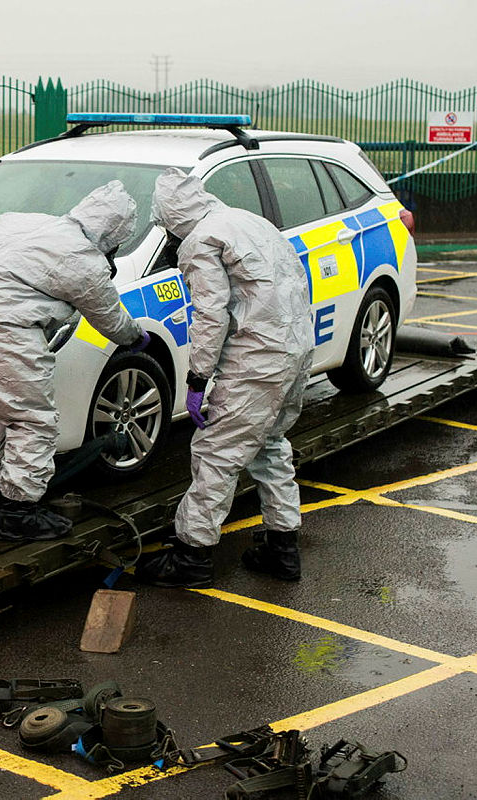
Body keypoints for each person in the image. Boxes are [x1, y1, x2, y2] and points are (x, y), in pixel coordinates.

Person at [0, 180, 149, 543]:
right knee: (32, 421)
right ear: (113, 233)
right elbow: (111, 319)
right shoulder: (83, 260)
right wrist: (136, 337)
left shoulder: (19, 222)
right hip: (3, 327)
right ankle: (18, 511)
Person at [135, 168, 314, 589]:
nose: (170, 237)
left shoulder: (202, 241)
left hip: (257, 362)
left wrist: (197, 378)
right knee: (270, 444)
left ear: (173, 216)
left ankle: (192, 556)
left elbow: (210, 314)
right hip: (295, 350)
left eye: (167, 227)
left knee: (217, 454)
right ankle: (282, 546)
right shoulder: (251, 222)